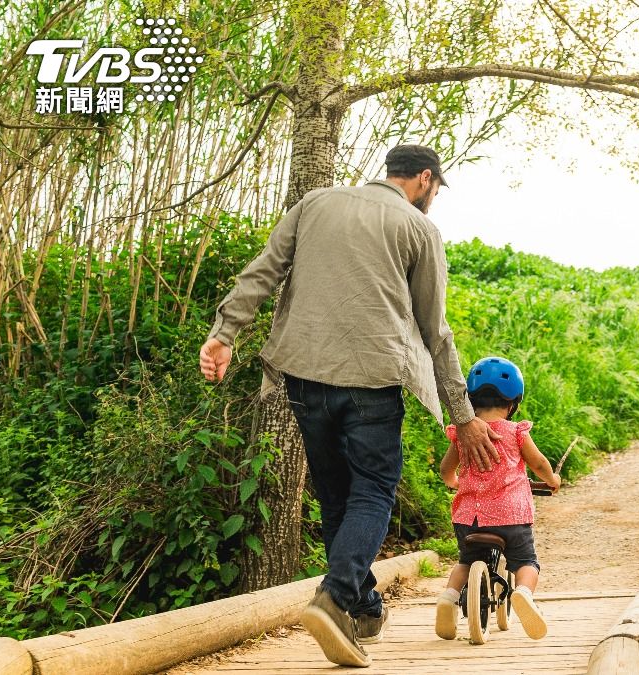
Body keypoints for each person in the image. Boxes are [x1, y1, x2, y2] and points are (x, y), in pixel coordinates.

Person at [197, 145, 503, 668]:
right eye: (434, 189)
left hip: (304, 376)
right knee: (374, 491)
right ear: (425, 180)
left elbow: (263, 272)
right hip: (372, 379)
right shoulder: (419, 229)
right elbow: (436, 332)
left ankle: (361, 608)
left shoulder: (315, 203)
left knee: (337, 496)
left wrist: (225, 334)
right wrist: (463, 415)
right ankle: (336, 596)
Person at [435, 357, 561, 641]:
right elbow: (538, 463)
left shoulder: (463, 435)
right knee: (526, 561)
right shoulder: (516, 432)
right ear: (513, 403)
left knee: (466, 561)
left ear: (470, 399)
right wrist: (552, 480)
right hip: (512, 517)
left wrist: (454, 483)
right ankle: (524, 594)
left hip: (470, 518)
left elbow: (446, 469)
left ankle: (448, 598)